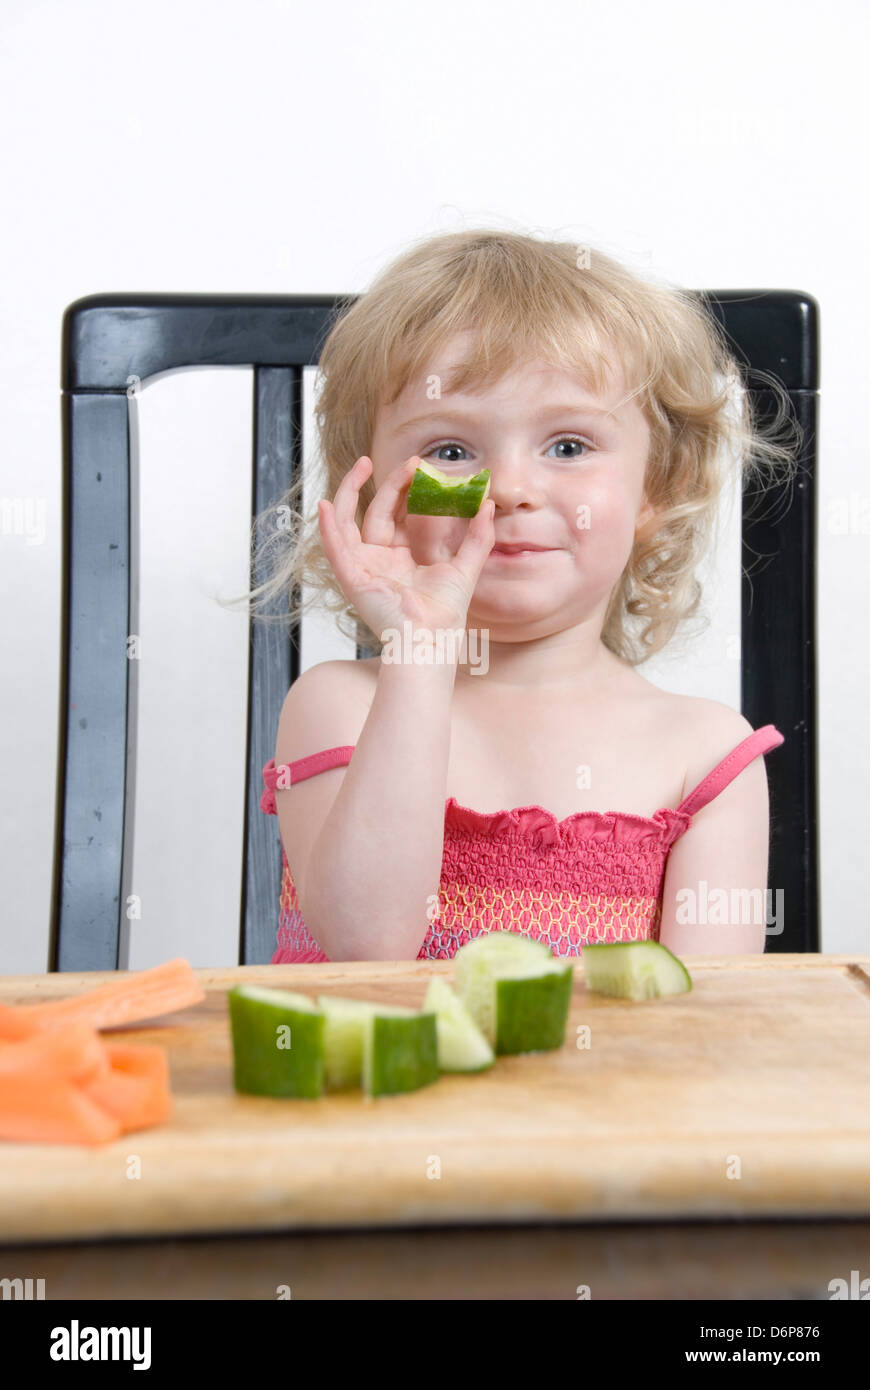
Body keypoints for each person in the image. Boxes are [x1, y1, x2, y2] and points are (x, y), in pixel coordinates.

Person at [248, 229, 800, 962]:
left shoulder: (705, 753)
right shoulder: (337, 704)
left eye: (568, 446)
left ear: (655, 488)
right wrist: (420, 650)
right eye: (450, 451)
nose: (506, 489)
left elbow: (702, 1036)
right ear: (378, 491)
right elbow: (368, 950)